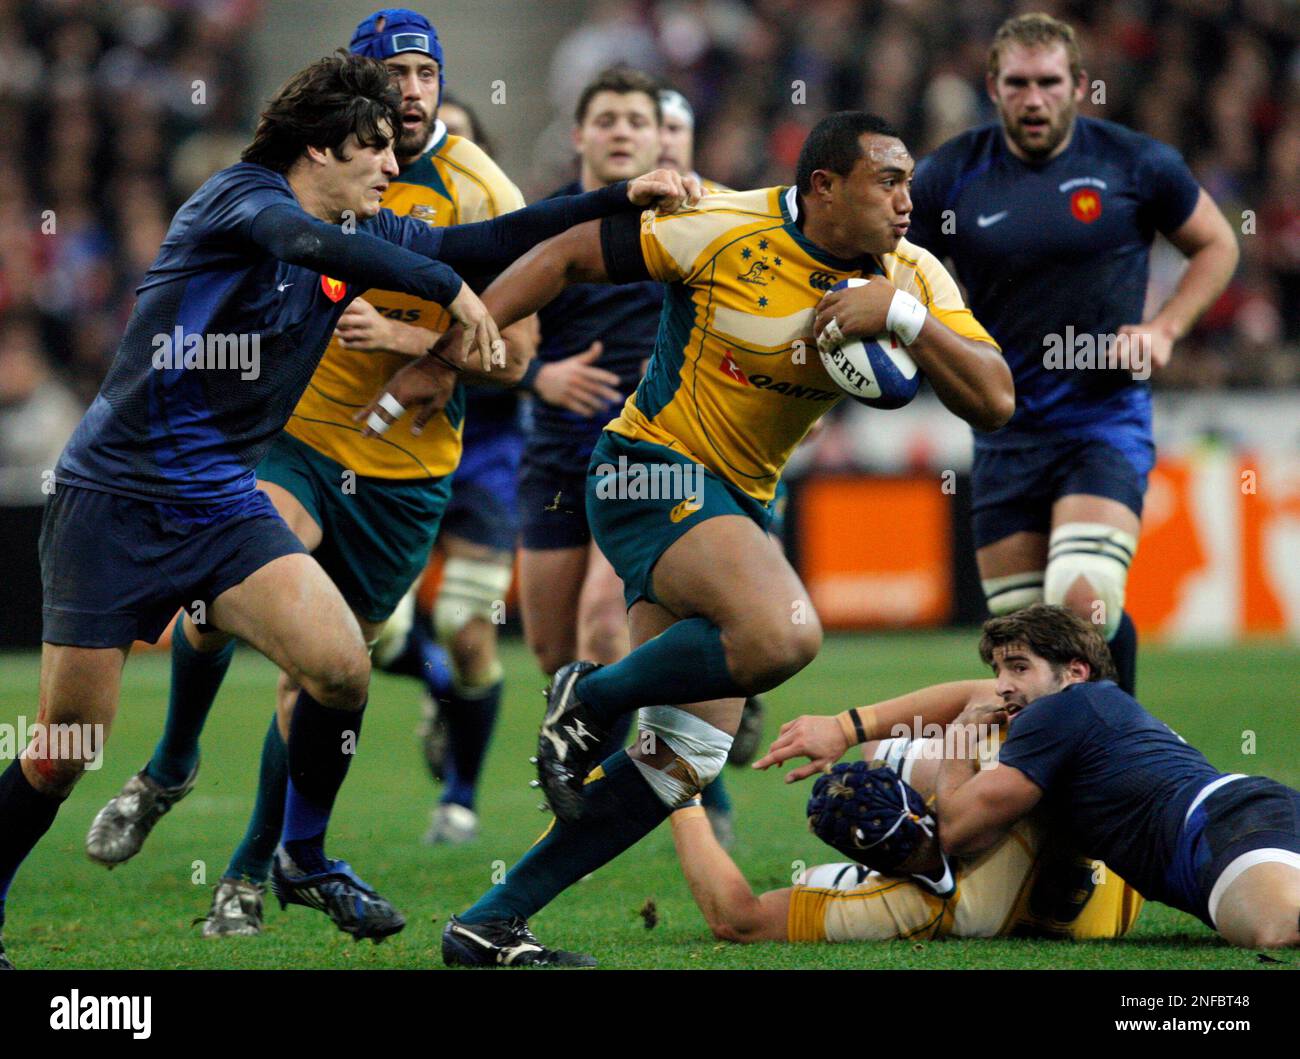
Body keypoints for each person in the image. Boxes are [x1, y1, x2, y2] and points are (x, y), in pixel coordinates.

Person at [0, 47, 692, 968]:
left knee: (339, 667)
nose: (394, 168)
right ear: (321, 148)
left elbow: (487, 241)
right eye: (373, 150)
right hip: (113, 504)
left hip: (220, 503)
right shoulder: (241, 200)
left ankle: (301, 853)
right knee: (62, 751)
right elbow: (310, 245)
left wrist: (616, 199)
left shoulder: (358, 234)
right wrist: (443, 292)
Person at [363, 109, 1014, 965]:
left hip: (738, 502)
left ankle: (488, 922)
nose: (906, 200)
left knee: (678, 763)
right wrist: (447, 359)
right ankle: (587, 697)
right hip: (648, 470)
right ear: (823, 187)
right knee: (784, 633)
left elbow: (996, 400)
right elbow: (565, 254)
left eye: (909, 183)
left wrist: (905, 318)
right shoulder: (725, 225)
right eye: (887, 181)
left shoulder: (911, 273)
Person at [906, 13, 1239, 695]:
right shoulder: (950, 176)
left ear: (1079, 85)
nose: (1035, 99)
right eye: (1019, 84)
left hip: (1101, 421)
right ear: (993, 87)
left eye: (1049, 82)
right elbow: (889, 261)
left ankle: (1128, 752)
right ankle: (1073, 779)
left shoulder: (1134, 163)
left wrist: (1166, 327)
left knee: (1080, 596)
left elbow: (1218, 243)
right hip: (1003, 430)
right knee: (1026, 644)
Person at [765, 603, 1300, 950]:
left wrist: (955, 746)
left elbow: (958, 832)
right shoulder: (1077, 710)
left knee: (1277, 931)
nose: (1000, 685)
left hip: (1220, 828)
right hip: (1238, 818)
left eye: (1017, 668)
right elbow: (970, 695)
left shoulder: (1056, 713)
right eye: (998, 669)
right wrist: (849, 727)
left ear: (1074, 671)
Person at [672, 712, 1143, 944]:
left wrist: (679, 795)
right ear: (920, 807)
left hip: (1096, 914)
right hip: (1130, 877)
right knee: (881, 748)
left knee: (816, 879)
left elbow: (737, 919)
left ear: (866, 864)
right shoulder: (1007, 779)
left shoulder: (902, 907)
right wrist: (959, 734)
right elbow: (992, 698)